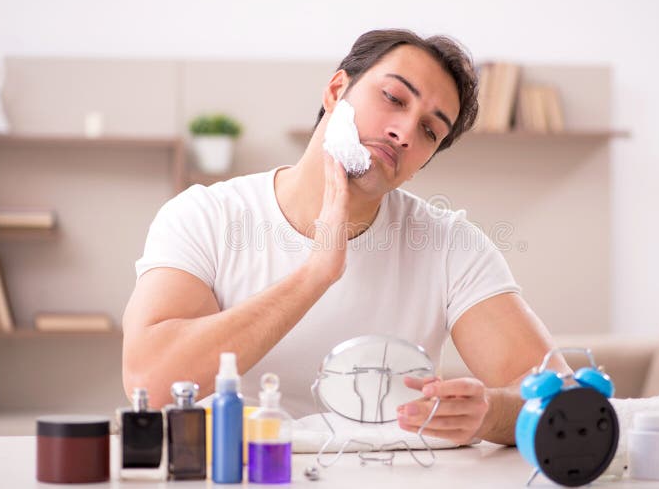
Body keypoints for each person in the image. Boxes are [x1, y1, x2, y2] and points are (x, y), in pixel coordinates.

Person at [122, 29, 569, 446]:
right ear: (337, 92)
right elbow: (151, 380)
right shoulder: (205, 216)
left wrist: (490, 414)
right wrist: (317, 273)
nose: (404, 132)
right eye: (393, 97)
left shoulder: (450, 246)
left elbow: (562, 401)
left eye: (431, 131)